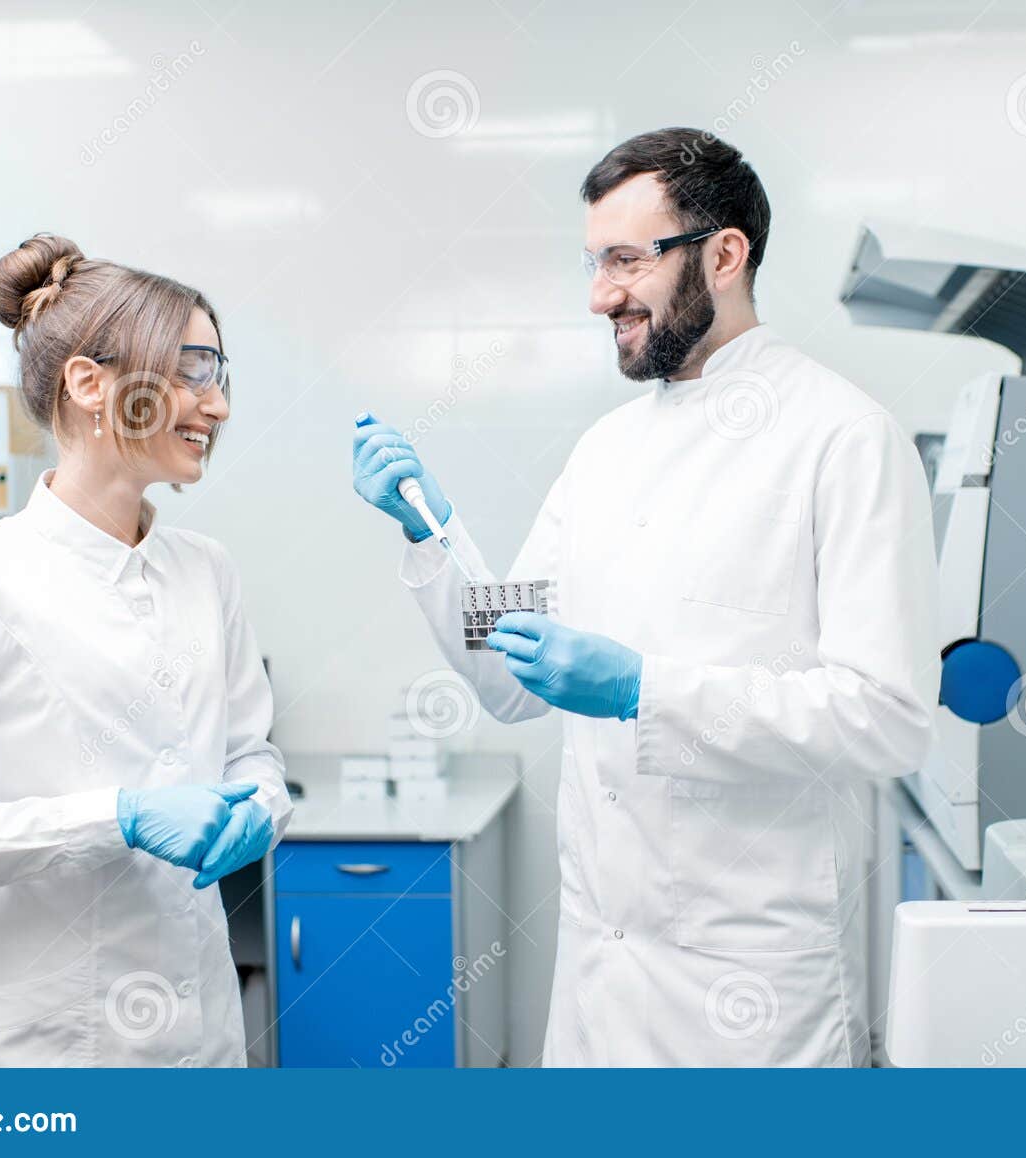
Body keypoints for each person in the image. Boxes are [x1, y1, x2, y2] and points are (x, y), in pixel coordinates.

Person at [353, 129, 939, 1065]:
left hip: (750, 994)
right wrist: (431, 535)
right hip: (598, 980)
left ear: (724, 253)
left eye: (627, 260)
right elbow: (511, 679)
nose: (600, 296)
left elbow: (888, 718)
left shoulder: (846, 439)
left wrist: (646, 692)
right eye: (594, 263)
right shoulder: (607, 449)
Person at [0, 234, 290, 1067]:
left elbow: (252, 757)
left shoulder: (208, 572)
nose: (217, 404)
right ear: (91, 383)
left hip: (196, 1040)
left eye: (220, 375)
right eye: (193, 369)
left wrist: (259, 814)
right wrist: (112, 819)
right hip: (33, 1053)